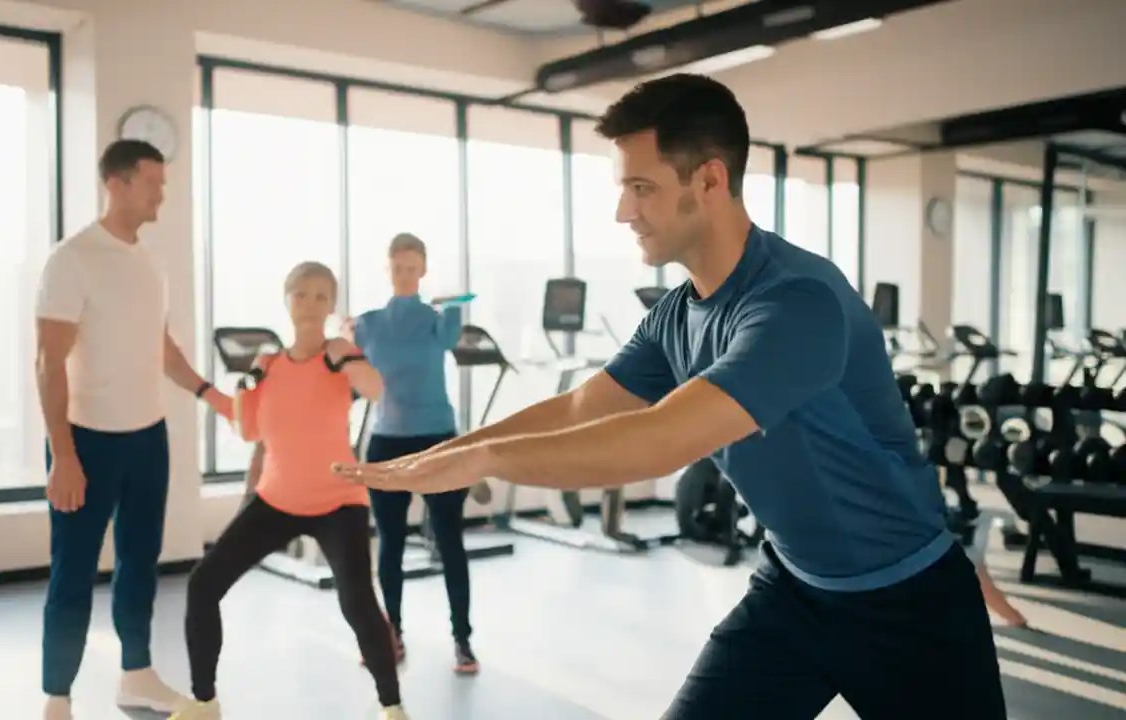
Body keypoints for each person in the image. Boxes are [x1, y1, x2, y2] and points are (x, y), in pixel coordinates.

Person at [334, 73, 1008, 719]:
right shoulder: (677, 316)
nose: (622, 210)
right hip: (797, 592)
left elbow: (661, 439)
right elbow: (579, 408)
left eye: (640, 187)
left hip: (911, 605)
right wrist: (446, 452)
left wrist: (480, 464)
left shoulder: (795, 303)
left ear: (709, 179)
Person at [170, 262, 408, 720]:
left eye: (321, 296)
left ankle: (392, 708)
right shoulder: (267, 364)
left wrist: (349, 356)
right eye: (301, 294)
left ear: (331, 305)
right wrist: (205, 388)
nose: (310, 303)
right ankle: (204, 702)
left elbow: (376, 389)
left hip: (339, 500)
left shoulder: (337, 355)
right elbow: (247, 427)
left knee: (357, 601)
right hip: (277, 500)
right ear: (287, 299)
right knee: (203, 585)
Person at [35, 140, 220, 720]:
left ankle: (135, 676)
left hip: (147, 438)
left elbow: (158, 346)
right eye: (152, 182)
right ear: (116, 183)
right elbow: (48, 360)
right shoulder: (73, 258)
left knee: (141, 561)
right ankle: (57, 697)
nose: (161, 192)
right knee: (74, 570)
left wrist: (209, 393)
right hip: (87, 441)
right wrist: (63, 455)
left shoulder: (149, 261)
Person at [345, 232, 478, 675]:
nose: (404, 275)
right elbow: (347, 370)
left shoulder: (439, 320)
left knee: (450, 542)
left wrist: (457, 299)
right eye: (397, 267)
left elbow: (454, 328)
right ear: (388, 270)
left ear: (423, 271)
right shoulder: (366, 324)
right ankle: (392, 633)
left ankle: (462, 640)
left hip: (438, 439)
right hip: (388, 442)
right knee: (390, 544)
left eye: (412, 267)